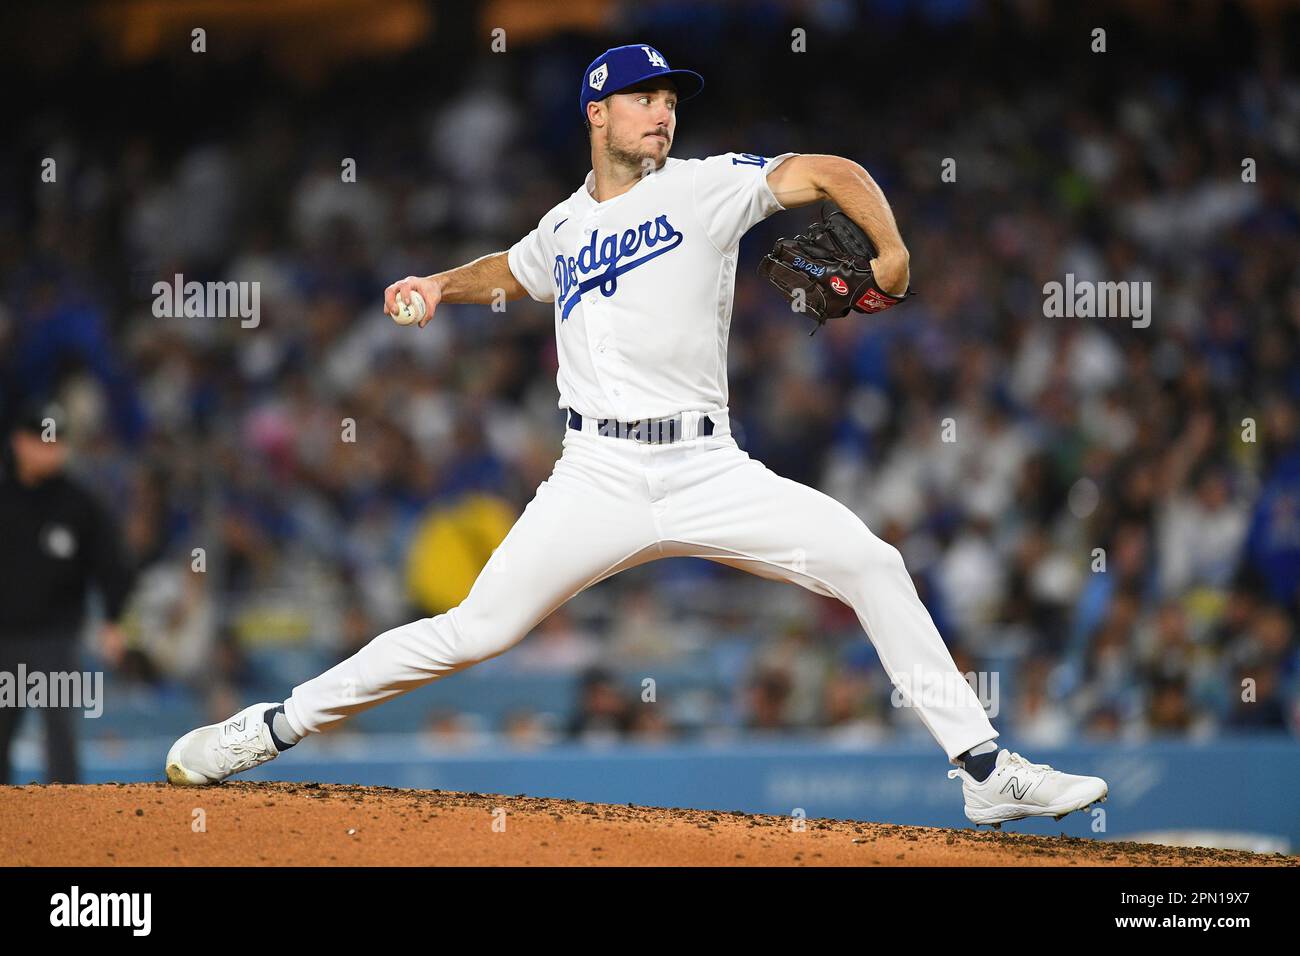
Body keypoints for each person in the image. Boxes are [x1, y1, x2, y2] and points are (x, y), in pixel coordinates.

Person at [166, 43, 1107, 827]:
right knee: (473, 631)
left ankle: (984, 771)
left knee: (871, 562)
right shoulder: (566, 225)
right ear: (596, 115)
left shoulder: (707, 189)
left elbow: (830, 172)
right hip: (597, 473)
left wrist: (892, 250)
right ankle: (272, 727)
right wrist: (437, 286)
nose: (660, 112)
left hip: (707, 463)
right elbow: (517, 268)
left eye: (667, 99)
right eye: (640, 99)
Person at [0, 399, 134, 783]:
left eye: (58, 441)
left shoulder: (78, 504)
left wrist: (112, 619)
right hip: (2, 639)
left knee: (60, 738)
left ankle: (68, 831)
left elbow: (113, 565)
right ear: (20, 442)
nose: (53, 449)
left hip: (54, 641)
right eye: (44, 440)